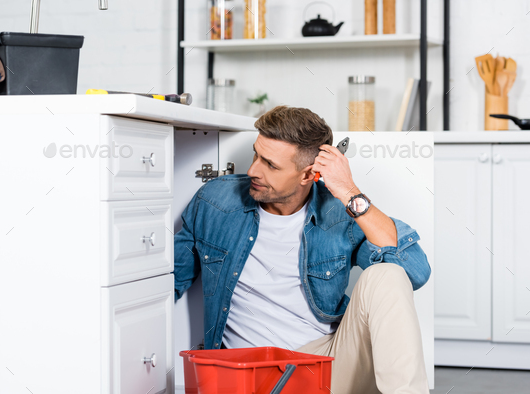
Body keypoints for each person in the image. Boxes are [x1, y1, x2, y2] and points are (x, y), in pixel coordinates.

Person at [174, 105, 431, 393]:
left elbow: (414, 271)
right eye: (256, 154)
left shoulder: (338, 213)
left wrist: (348, 191)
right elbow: (168, 279)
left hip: (324, 366)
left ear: (309, 175)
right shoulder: (216, 201)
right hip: (248, 373)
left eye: (270, 165)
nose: (253, 170)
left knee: (387, 274)